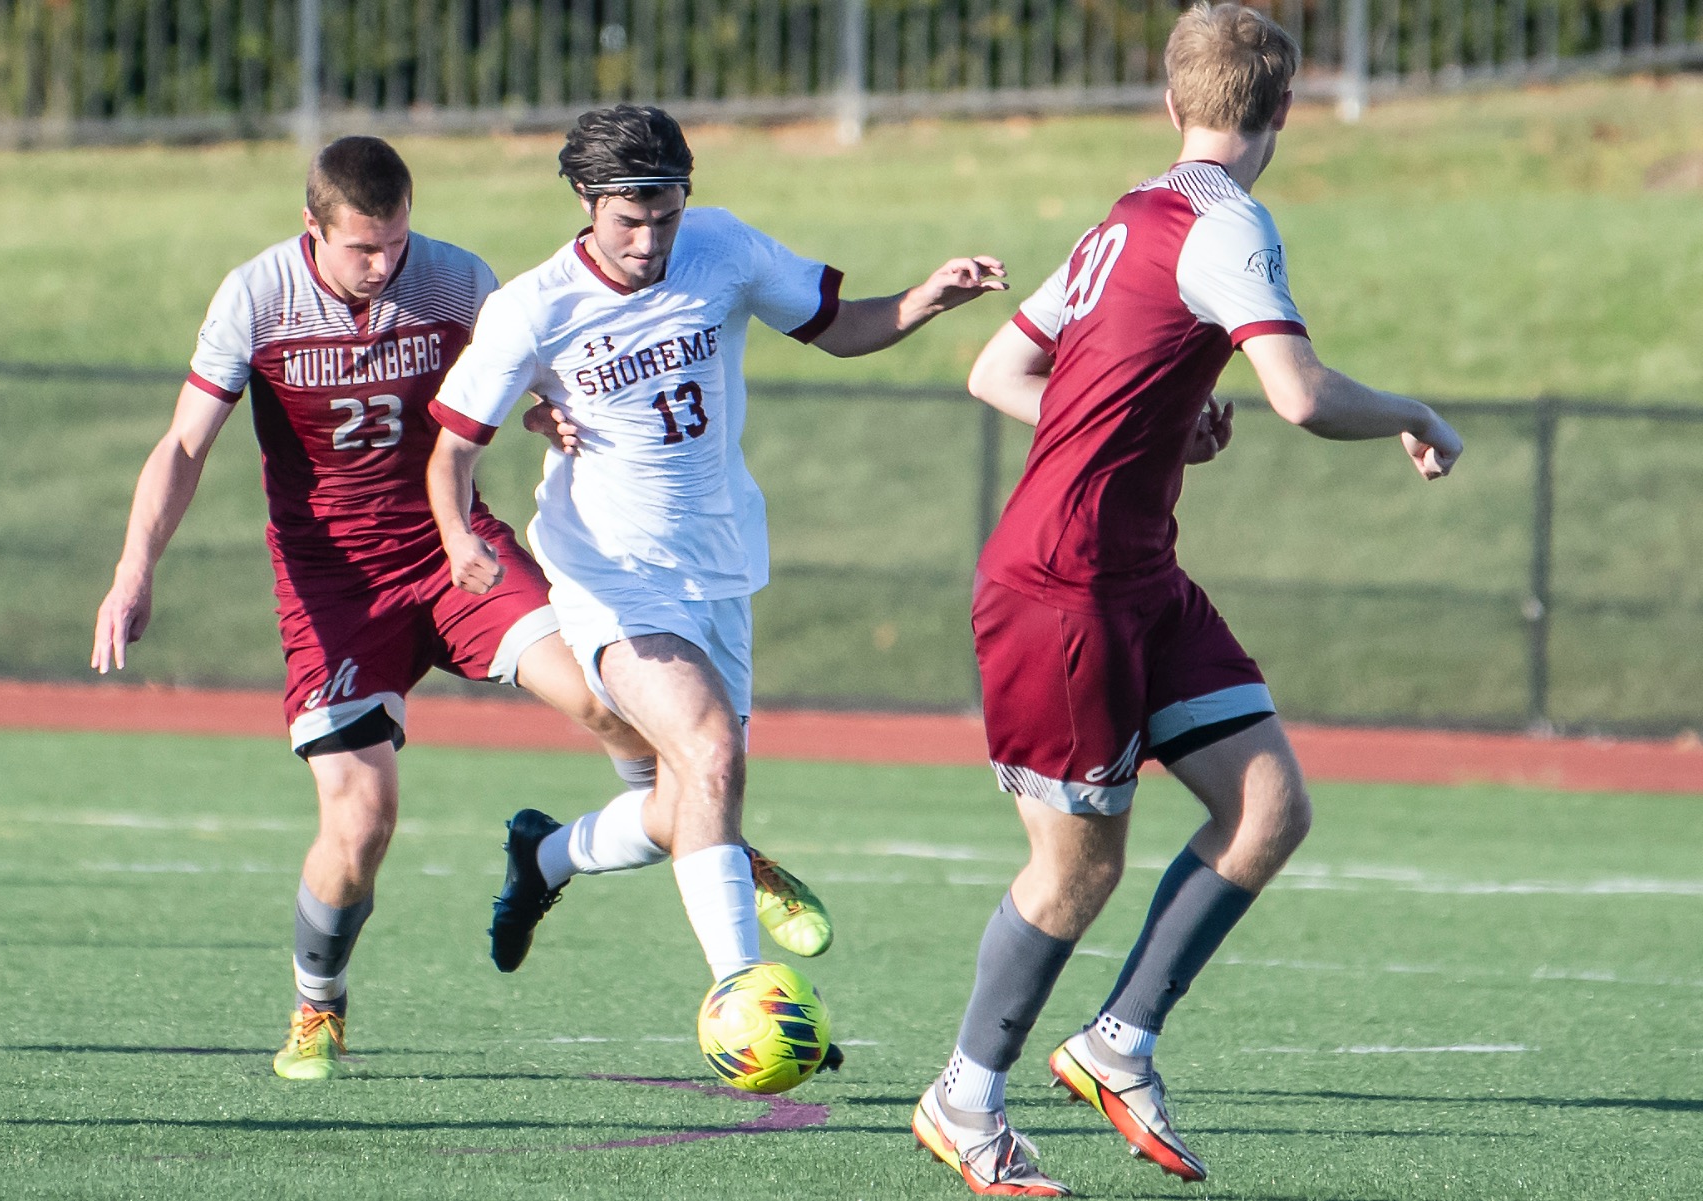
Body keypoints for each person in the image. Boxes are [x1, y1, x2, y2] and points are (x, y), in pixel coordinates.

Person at [88, 136, 822, 1082]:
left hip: (458, 554)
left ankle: (706, 830)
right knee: (362, 821)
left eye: (395, 242)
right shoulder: (257, 297)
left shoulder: (451, 280)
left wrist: (539, 416)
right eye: (361, 250)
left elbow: (526, 369)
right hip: (337, 588)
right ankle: (319, 1002)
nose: (383, 266)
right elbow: (185, 446)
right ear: (311, 228)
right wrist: (133, 568)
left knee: (615, 698)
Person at [910, 6, 1466, 1195]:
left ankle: (1115, 1043)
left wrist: (1155, 425)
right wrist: (1415, 413)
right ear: (1280, 112)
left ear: (1172, 105)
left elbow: (997, 368)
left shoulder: (1126, 213)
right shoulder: (1228, 224)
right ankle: (960, 1099)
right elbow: (1303, 395)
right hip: (1062, 586)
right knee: (1075, 869)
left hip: (1136, 574)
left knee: (1266, 805)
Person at [424, 104, 1006, 998]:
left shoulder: (722, 247)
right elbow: (454, 449)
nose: (651, 239)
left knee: (681, 802)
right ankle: (744, 989)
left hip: (721, 565)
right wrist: (460, 533)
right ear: (585, 200)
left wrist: (930, 296)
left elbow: (843, 327)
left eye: (666, 215)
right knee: (709, 756)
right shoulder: (532, 308)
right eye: (629, 219)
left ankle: (544, 855)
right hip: (609, 576)